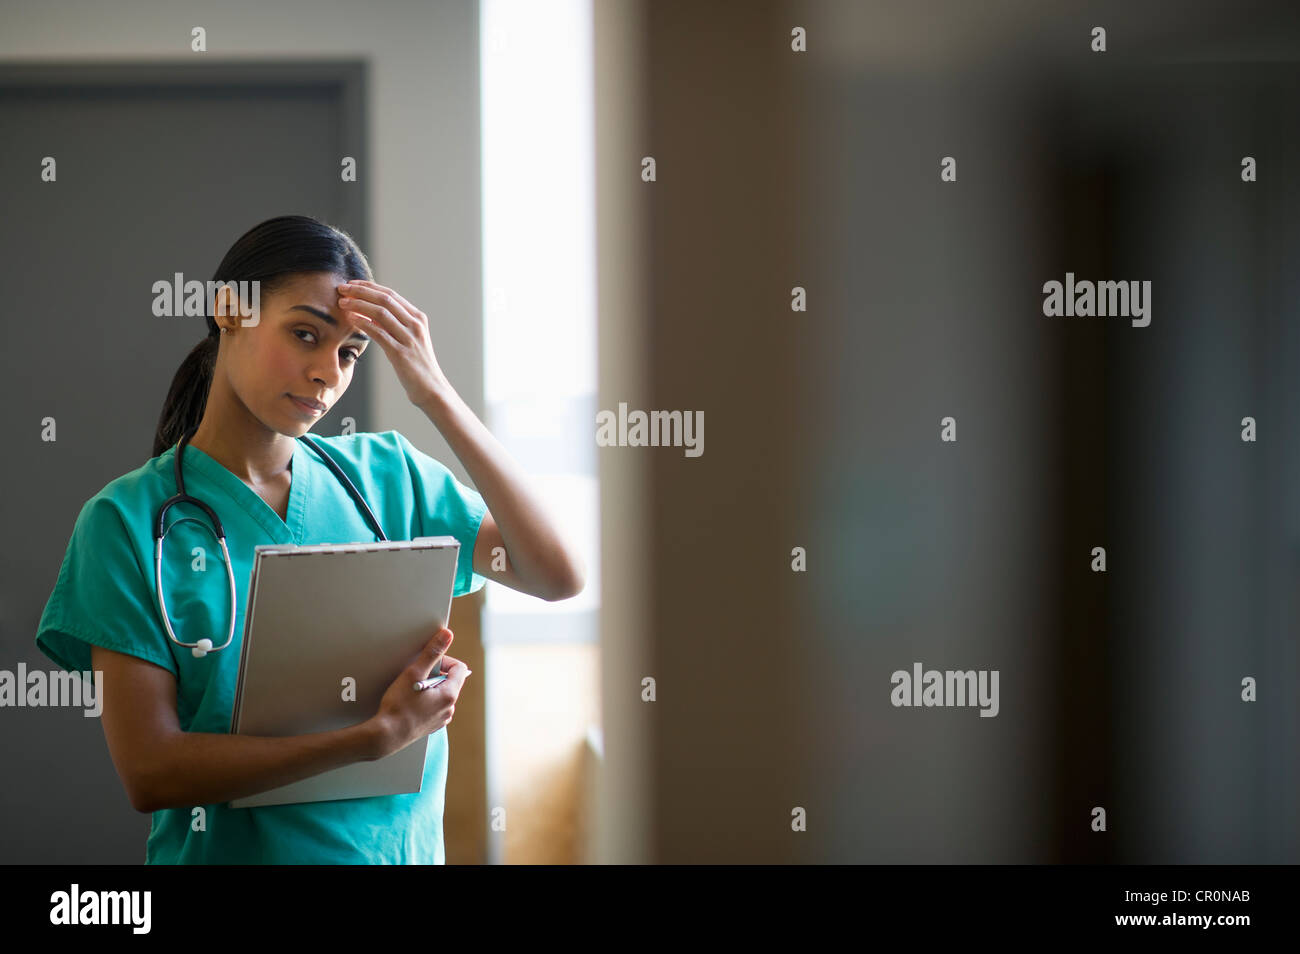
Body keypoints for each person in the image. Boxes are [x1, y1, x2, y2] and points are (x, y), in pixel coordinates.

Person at [34, 214, 585, 864]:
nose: (328, 371)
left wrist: (434, 393)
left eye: (351, 351)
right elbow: (153, 772)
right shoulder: (125, 521)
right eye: (305, 334)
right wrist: (369, 740)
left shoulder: (390, 478)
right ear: (229, 311)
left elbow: (556, 575)